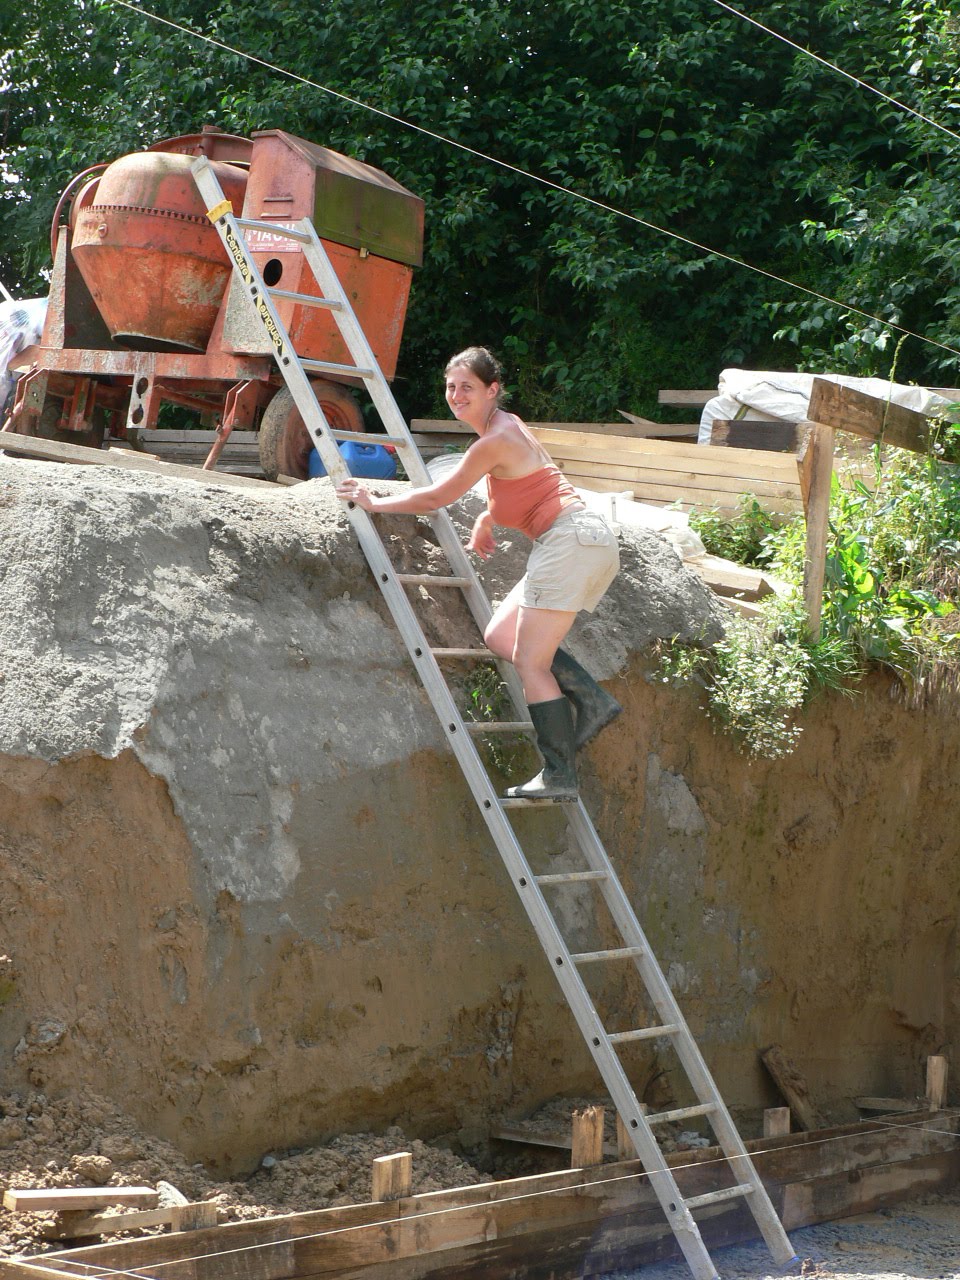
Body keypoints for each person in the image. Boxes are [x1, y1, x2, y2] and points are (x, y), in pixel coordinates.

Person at [335, 346, 620, 801]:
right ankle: (590, 700)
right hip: (574, 541)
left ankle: (560, 773)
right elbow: (524, 481)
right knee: (502, 636)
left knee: (530, 661)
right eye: (450, 386)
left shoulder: (493, 441)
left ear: (492, 390)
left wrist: (376, 502)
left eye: (467, 386)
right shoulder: (503, 429)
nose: (456, 395)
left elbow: (435, 497)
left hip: (570, 542)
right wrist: (488, 520)